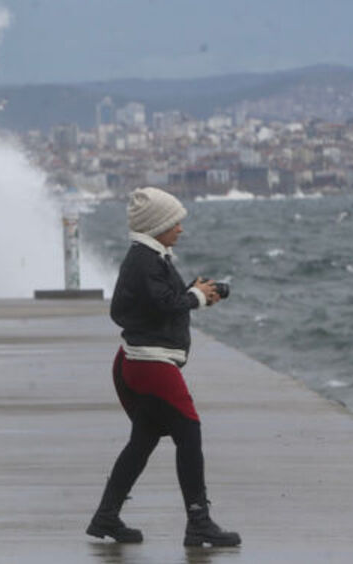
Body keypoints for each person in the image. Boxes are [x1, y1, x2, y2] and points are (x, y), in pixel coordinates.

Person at [86, 187, 241, 547]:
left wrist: (192, 294)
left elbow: (155, 303)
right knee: (190, 433)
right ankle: (199, 521)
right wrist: (195, 297)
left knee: (143, 440)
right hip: (150, 363)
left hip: (138, 360)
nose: (180, 228)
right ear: (157, 225)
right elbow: (162, 304)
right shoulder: (145, 260)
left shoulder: (150, 258)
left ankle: (106, 516)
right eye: (175, 222)